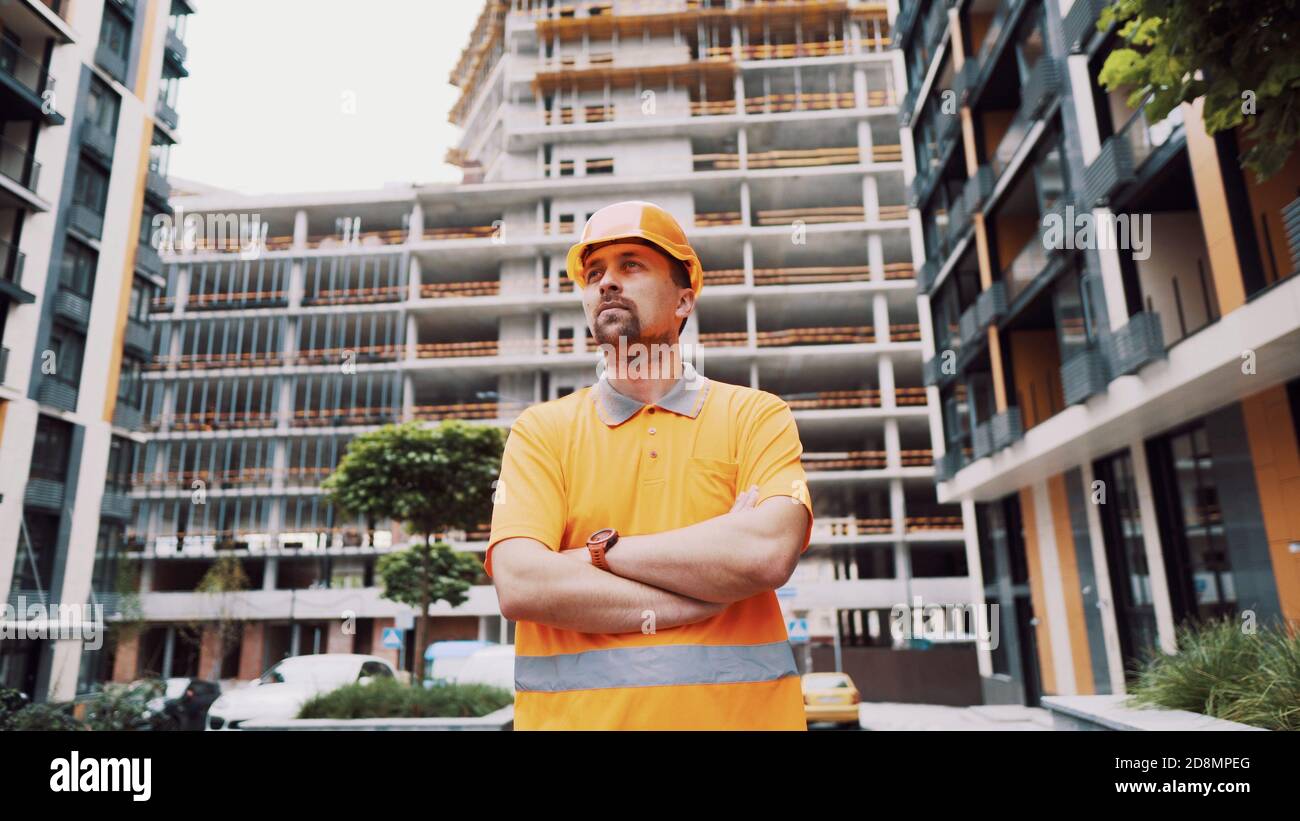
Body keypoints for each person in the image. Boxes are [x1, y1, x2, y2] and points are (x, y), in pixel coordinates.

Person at [485, 201, 814, 730]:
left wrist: (592, 553)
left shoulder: (755, 415)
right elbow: (522, 583)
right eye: (595, 274)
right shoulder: (541, 430)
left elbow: (765, 554)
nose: (607, 283)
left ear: (684, 300)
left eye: (631, 265)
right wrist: (701, 596)